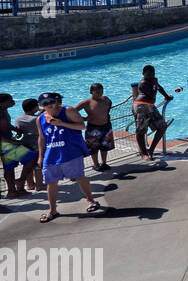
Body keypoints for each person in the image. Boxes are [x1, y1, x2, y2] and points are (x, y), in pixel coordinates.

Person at [35, 92, 100, 222]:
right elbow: (41, 138)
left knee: (79, 177)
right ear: (40, 105)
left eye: (51, 102)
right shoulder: (40, 119)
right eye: (45, 104)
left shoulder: (68, 110)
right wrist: (41, 156)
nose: (49, 105)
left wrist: (61, 123)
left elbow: (82, 126)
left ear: (56, 101)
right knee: (51, 182)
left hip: (70, 153)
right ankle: (53, 210)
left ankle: (90, 200)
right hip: (51, 154)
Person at [133, 65, 173, 159]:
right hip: (141, 105)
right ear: (143, 74)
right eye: (149, 74)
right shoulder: (143, 83)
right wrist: (155, 83)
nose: (151, 76)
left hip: (150, 106)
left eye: (153, 74)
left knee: (162, 126)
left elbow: (160, 88)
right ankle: (143, 153)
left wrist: (167, 96)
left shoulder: (153, 82)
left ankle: (151, 150)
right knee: (141, 131)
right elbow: (151, 94)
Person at [0, 93, 34, 199]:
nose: (13, 101)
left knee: (9, 166)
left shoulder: (4, 110)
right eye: (10, 100)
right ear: (1, 103)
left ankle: (12, 191)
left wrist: (16, 129)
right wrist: (12, 142)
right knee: (32, 157)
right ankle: (20, 181)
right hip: (4, 143)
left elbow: (5, 124)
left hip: (7, 141)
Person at [75, 83, 115, 172]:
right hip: (93, 128)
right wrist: (84, 119)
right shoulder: (86, 103)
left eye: (101, 92)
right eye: (97, 92)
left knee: (105, 146)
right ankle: (96, 164)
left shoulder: (106, 99)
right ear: (91, 92)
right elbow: (73, 111)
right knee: (93, 147)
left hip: (106, 126)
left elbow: (108, 107)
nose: (100, 94)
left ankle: (104, 163)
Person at [15, 98, 43, 192]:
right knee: (38, 165)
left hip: (25, 143)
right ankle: (39, 185)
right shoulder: (36, 119)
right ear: (35, 107)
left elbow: (20, 132)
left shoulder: (18, 119)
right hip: (36, 143)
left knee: (27, 165)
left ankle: (30, 184)